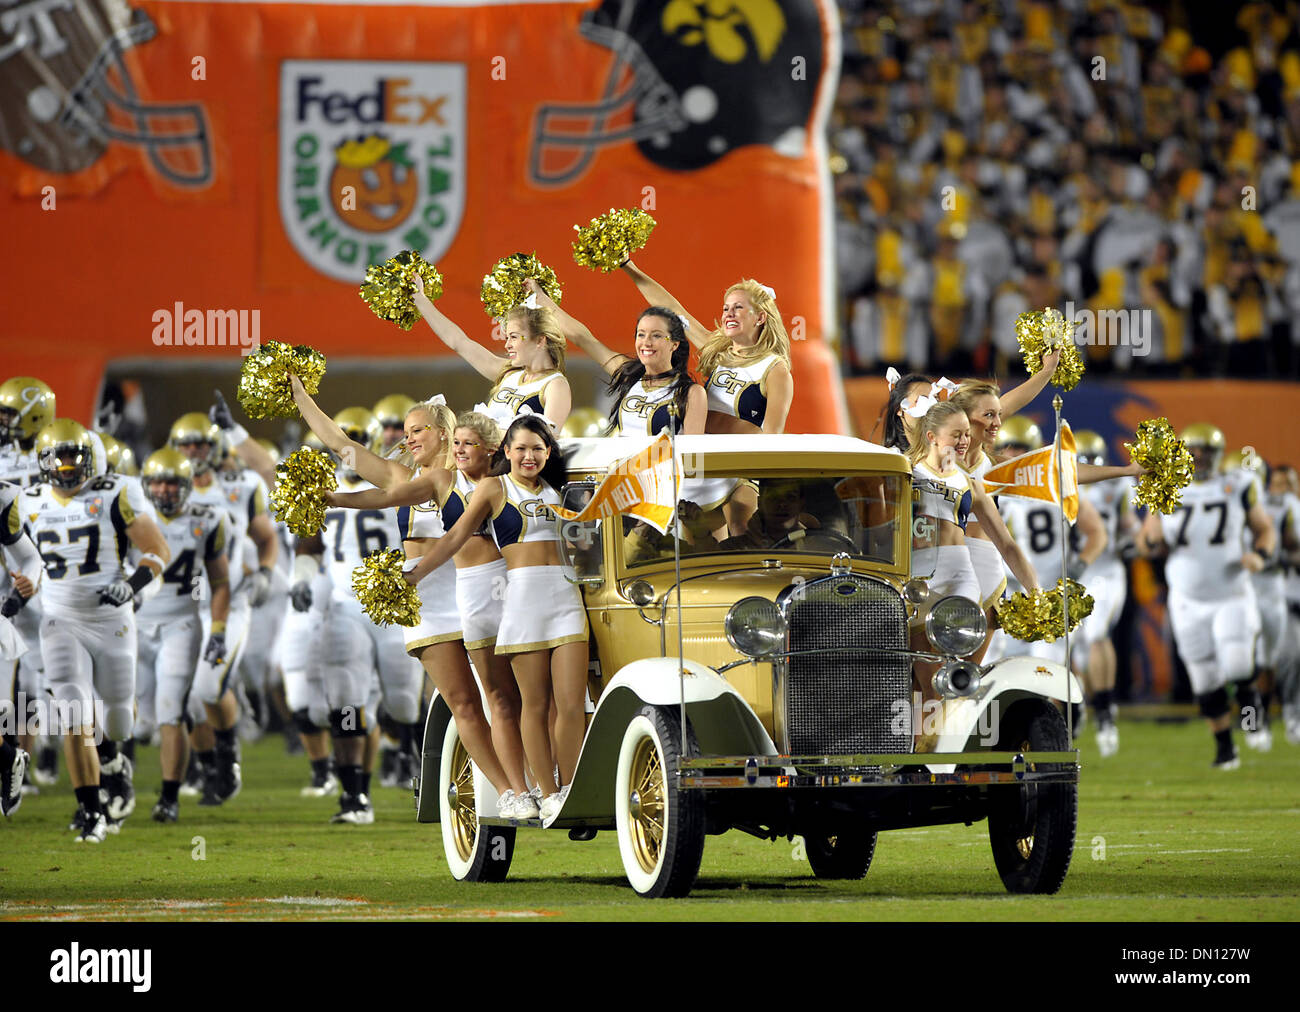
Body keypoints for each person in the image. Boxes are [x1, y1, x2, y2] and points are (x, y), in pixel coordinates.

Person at [289, 377, 528, 814]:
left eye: (417, 429)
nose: (407, 437)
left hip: (477, 593)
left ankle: (529, 780)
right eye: (405, 429)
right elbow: (340, 442)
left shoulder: (471, 472)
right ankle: (507, 792)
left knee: (505, 697)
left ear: (442, 432)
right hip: (425, 599)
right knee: (462, 704)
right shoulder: (403, 476)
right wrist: (301, 397)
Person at [402, 414, 588, 825]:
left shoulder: (562, 491)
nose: (528, 455)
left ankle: (567, 786)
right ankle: (544, 790)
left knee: (572, 704)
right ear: (505, 451)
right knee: (532, 705)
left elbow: (588, 541)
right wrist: (416, 572)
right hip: (521, 602)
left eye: (537, 448)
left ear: (548, 453)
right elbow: (454, 537)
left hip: (567, 599)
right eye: (520, 448)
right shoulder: (493, 488)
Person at [19, 419, 171, 841]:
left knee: (118, 721)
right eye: (59, 455)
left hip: (110, 619)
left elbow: (158, 550)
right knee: (72, 713)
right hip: (59, 618)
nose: (68, 464)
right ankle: (91, 811)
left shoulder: (114, 493)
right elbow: (14, 551)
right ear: (44, 460)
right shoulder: (27, 501)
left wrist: (133, 584)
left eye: (75, 455)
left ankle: (113, 761)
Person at [1138, 423, 1277, 769]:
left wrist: (1260, 553)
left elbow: (1265, 529)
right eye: (1194, 451)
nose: (1199, 458)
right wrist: (1151, 541)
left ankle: (1250, 717)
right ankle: (1225, 747)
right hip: (1186, 599)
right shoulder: (1166, 486)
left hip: (1230, 592)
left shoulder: (1239, 484)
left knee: (1238, 665)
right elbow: (1145, 541)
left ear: (1217, 455)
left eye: (1206, 452)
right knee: (1204, 677)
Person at [169, 412, 277, 806]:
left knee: (208, 687)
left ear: (214, 447)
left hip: (228, 602)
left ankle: (228, 752)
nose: (192, 451)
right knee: (185, 694)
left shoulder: (241, 484)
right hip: (178, 607)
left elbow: (266, 537)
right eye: (185, 444)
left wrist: (265, 571)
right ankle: (207, 764)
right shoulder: (161, 490)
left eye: (199, 443)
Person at [907, 402, 1038, 701]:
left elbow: (1007, 544)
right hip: (920, 583)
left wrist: (1036, 592)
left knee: (955, 680)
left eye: (967, 433)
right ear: (931, 437)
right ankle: (920, 743)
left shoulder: (971, 484)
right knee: (926, 686)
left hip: (963, 579)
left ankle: (949, 742)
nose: (965, 441)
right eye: (957, 434)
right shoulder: (906, 474)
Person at [134, 448, 230, 823]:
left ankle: (169, 797)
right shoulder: (132, 516)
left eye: (172, 482)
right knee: (138, 722)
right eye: (157, 482)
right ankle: (118, 778)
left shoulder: (206, 519)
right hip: (135, 625)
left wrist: (218, 630)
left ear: (187, 485)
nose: (164, 489)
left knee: (171, 709)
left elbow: (220, 581)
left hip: (181, 624)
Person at [617, 263, 794, 435]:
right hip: (701, 452)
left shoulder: (775, 370)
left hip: (736, 460)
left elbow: (770, 439)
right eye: (726, 308)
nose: (728, 314)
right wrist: (628, 265)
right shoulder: (719, 350)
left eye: (738, 307)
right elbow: (673, 308)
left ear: (760, 317)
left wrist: (705, 417)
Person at [410, 272, 572, 430]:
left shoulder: (555, 385)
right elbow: (459, 342)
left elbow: (546, 442)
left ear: (539, 340)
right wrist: (420, 300)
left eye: (514, 337)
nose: (507, 345)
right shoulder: (509, 373)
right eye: (507, 337)